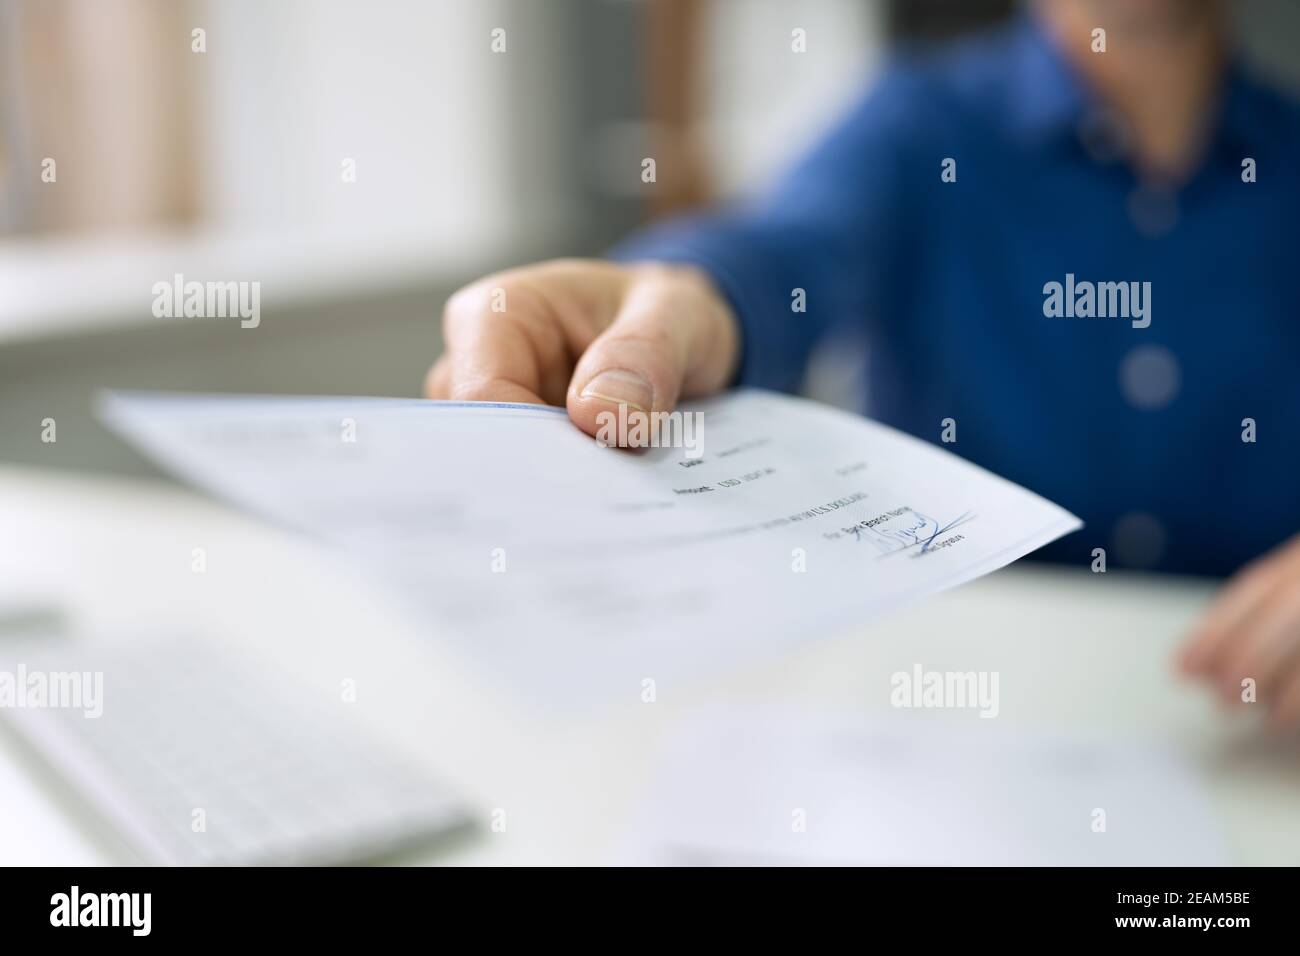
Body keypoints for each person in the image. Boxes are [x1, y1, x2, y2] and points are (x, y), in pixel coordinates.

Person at [425, 0, 1300, 726]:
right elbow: (787, 251)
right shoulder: (918, 127)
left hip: (1254, 741)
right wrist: (680, 297)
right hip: (950, 731)